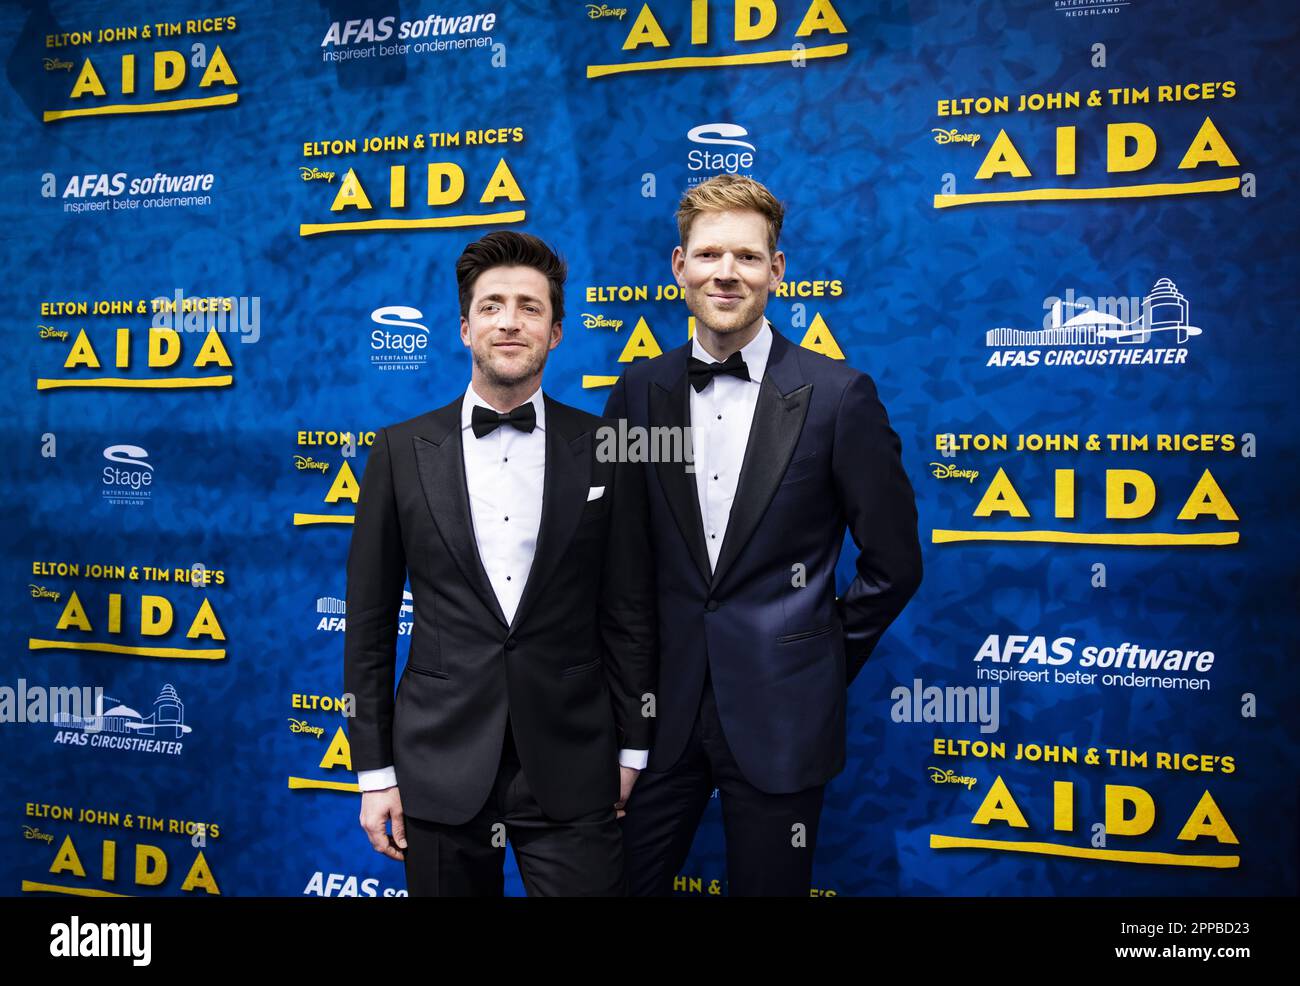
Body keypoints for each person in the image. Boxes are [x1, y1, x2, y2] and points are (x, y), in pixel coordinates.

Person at [604, 174, 923, 896]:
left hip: (785, 714)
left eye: (747, 257)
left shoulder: (841, 397)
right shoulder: (637, 393)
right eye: (709, 254)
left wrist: (818, 660)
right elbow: (621, 562)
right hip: (658, 716)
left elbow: (895, 562)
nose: (727, 273)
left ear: (777, 271)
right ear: (678, 266)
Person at [344, 230, 656, 896]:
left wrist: (633, 748)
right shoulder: (399, 451)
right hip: (437, 763)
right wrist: (374, 773)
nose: (509, 321)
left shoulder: (607, 447)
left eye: (529, 306)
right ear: (464, 327)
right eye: (491, 306)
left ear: (557, 332)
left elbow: (628, 609)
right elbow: (368, 626)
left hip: (574, 763)